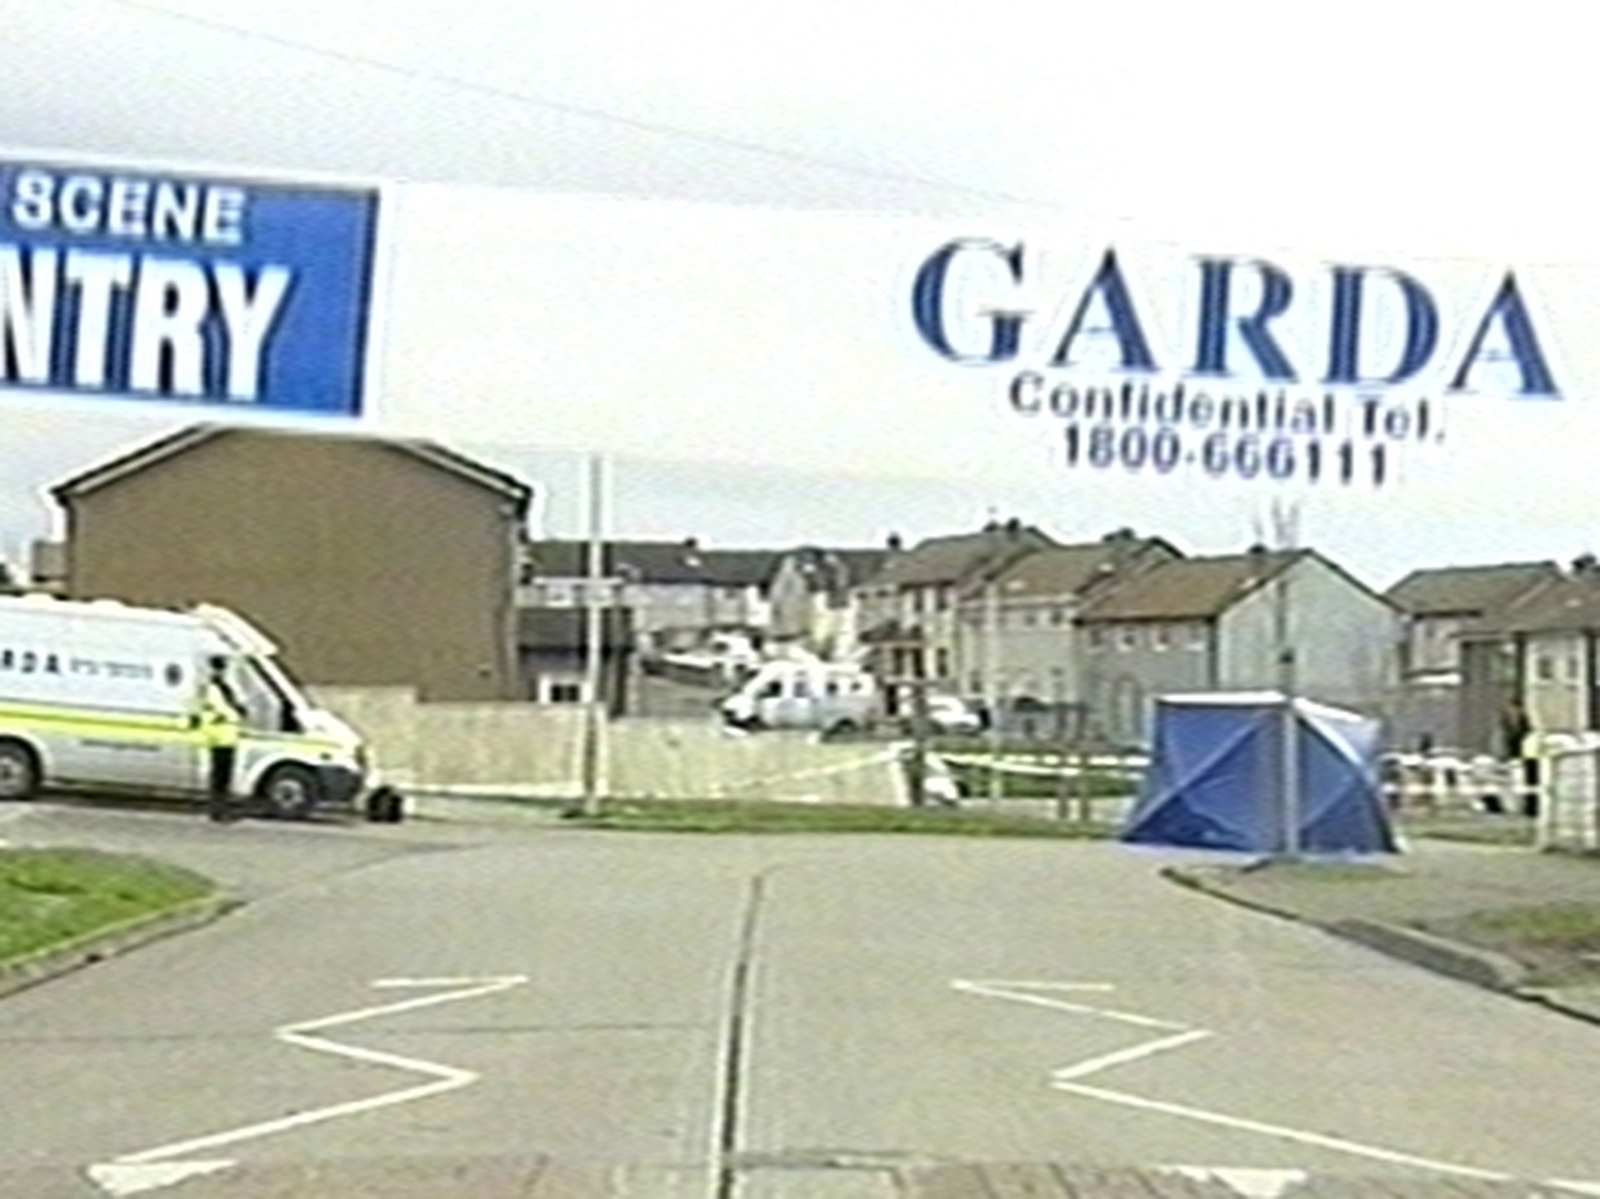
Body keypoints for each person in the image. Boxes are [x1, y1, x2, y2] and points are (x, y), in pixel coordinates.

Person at [201, 659, 244, 823]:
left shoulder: (222, 686)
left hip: (227, 735)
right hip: (219, 735)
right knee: (220, 775)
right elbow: (221, 709)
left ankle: (220, 809)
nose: (222, 672)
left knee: (224, 775)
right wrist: (237, 712)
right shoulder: (213, 688)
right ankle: (218, 811)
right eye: (220, 668)